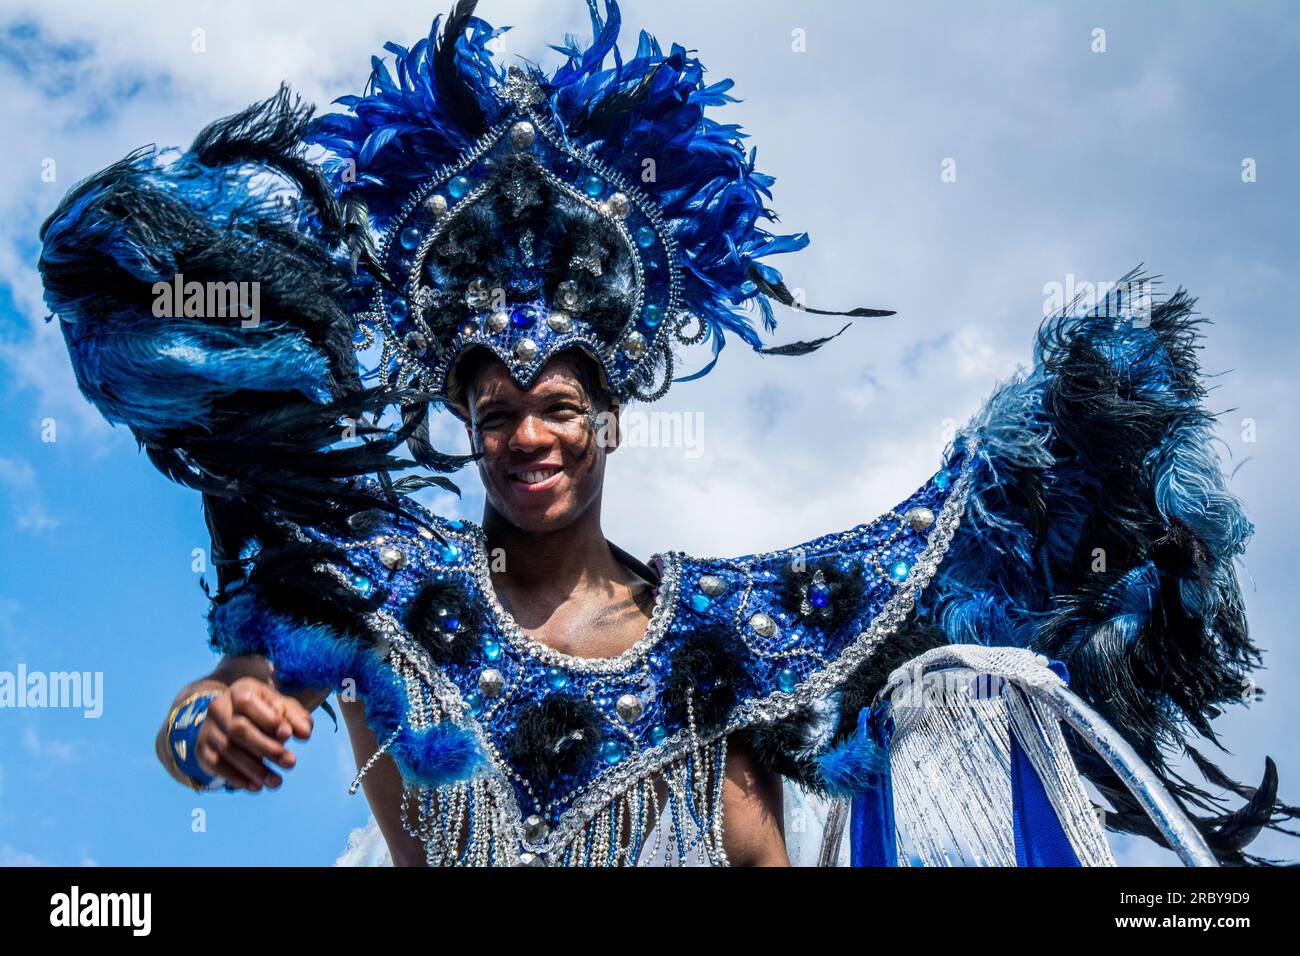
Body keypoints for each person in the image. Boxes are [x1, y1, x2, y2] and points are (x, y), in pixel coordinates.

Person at [41, 0, 1297, 867]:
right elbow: (224, 698)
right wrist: (205, 726)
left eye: (556, 406)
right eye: (493, 413)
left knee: (978, 684)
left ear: (611, 422)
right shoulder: (390, 591)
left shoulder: (719, 637)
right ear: (468, 430)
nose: (526, 434)